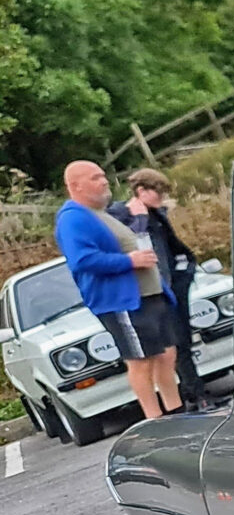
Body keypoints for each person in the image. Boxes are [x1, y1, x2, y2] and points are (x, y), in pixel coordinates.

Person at [51, 160, 182, 420]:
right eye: (95, 178)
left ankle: (177, 410)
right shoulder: (73, 218)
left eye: (103, 176)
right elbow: (82, 260)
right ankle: (155, 419)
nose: (104, 181)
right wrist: (129, 261)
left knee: (166, 354)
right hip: (123, 302)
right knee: (141, 360)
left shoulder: (103, 213)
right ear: (75, 186)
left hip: (150, 295)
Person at [112, 168, 208, 411]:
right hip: (151, 290)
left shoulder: (157, 214)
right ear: (141, 190)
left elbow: (170, 246)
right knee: (168, 348)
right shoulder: (121, 216)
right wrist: (140, 218)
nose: (162, 198)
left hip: (171, 284)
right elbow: (134, 244)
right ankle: (193, 396)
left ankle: (193, 394)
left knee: (180, 341)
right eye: (158, 192)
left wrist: (185, 269)